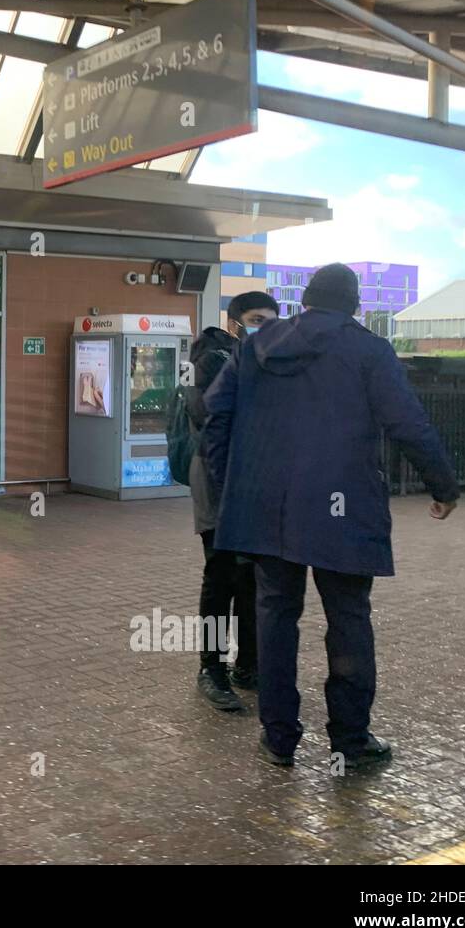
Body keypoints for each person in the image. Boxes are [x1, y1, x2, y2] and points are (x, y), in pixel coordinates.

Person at [203, 263, 459, 771]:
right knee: (348, 620)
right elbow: (408, 423)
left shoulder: (256, 344)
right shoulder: (368, 350)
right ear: (355, 306)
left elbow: (217, 417)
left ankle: (279, 739)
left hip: (267, 511)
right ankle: (350, 739)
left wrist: (231, 488)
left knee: (276, 616)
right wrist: (443, 486)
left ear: (305, 302)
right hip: (344, 508)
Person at [185, 291, 279, 712]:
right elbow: (207, 417)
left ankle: (249, 665)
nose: (266, 326)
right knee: (220, 574)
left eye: (273, 319)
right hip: (216, 479)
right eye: (257, 318)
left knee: (252, 577)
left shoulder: (268, 362)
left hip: (253, 481)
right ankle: (212, 668)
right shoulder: (212, 361)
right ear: (234, 321)